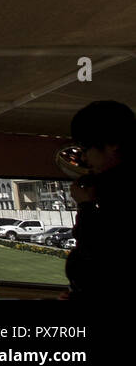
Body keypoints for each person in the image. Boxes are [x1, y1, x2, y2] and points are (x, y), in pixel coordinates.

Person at [64, 100, 135, 302]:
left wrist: (85, 206)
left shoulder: (121, 191)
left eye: (86, 148)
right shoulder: (112, 186)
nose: (85, 159)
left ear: (112, 144)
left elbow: (100, 251)